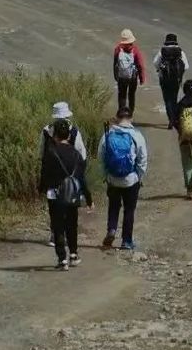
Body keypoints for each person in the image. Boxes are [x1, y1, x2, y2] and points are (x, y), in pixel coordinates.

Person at [38, 115, 93, 269]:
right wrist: (88, 198)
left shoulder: (50, 153)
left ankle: (62, 259)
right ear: (69, 135)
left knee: (58, 225)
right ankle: (74, 255)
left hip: (54, 194)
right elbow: (82, 178)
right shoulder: (76, 155)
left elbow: (45, 174)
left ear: (54, 135)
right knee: (72, 224)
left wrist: (41, 189)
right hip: (73, 194)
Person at [99, 107, 148, 252]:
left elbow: (101, 157)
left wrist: (105, 176)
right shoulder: (136, 135)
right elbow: (142, 159)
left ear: (117, 118)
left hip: (112, 178)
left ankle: (112, 230)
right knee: (129, 210)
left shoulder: (108, 134)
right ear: (131, 119)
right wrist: (139, 176)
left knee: (113, 206)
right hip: (131, 179)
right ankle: (126, 241)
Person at [154, 33, 188, 129]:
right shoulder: (180, 52)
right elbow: (186, 66)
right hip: (176, 80)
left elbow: (155, 63)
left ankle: (171, 120)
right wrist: (179, 73)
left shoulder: (162, 51)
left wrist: (160, 70)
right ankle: (175, 119)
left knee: (167, 99)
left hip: (164, 79)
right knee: (174, 99)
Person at [112, 29, 146, 118]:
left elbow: (115, 63)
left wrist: (116, 75)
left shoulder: (118, 49)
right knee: (131, 96)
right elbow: (140, 65)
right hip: (133, 77)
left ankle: (121, 115)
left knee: (122, 96)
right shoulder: (135, 50)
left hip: (122, 77)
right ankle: (130, 115)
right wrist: (142, 78)